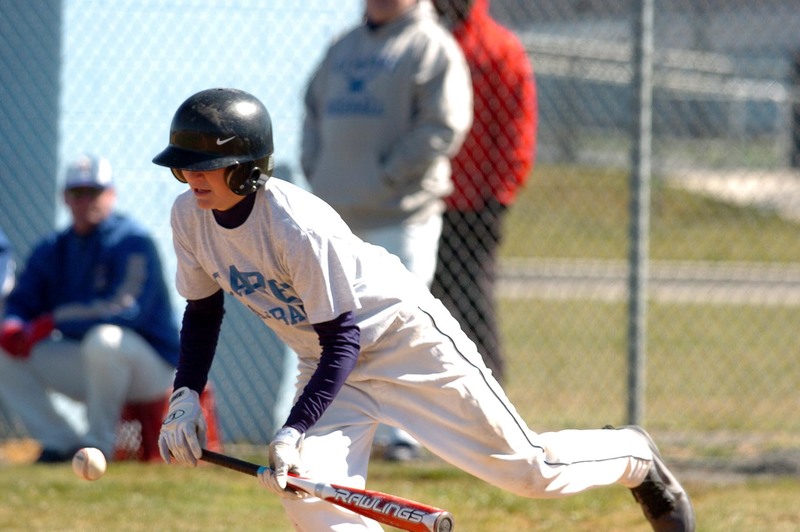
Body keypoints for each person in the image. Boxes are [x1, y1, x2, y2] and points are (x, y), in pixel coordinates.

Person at [154, 88, 694, 532]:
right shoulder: (189, 219)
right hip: (326, 367)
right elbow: (203, 313)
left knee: (529, 471)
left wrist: (293, 428)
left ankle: (632, 454)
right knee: (310, 502)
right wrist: (185, 398)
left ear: (248, 168)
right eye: (185, 169)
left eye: (209, 166)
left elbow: (346, 339)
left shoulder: (296, 226)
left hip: (403, 341)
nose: (193, 178)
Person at [301, 0, 473, 460]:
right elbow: (312, 110)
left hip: (400, 215)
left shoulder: (431, 45)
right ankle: (336, 430)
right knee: (332, 326)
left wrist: (387, 174)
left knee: (403, 324)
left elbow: (443, 125)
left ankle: (404, 437)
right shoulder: (343, 46)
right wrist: (318, 171)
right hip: (336, 217)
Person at [0, 155, 180, 463]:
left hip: (152, 371)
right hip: (92, 366)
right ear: (65, 198)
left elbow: (124, 309)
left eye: (93, 192)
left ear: (111, 194)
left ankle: (98, 445)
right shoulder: (54, 247)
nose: (85, 201)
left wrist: (52, 321)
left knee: (105, 340)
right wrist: (14, 324)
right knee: (4, 353)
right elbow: (22, 301)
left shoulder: (133, 241)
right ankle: (61, 444)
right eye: (77, 193)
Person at [430, 0, 537, 384]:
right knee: (427, 308)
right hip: (427, 201)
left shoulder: (498, 48)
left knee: (474, 303)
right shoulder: (427, 41)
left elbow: (517, 129)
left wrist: (499, 196)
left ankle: (493, 392)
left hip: (475, 206)